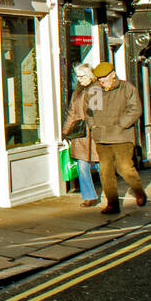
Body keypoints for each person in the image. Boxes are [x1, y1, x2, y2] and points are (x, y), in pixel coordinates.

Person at [84, 61, 146, 214]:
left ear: (113, 74)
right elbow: (90, 112)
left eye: (104, 77)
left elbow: (135, 109)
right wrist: (93, 126)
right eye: (99, 78)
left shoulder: (126, 88)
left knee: (124, 167)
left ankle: (139, 191)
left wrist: (121, 125)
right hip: (102, 137)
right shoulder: (95, 90)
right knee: (105, 171)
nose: (102, 80)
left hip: (122, 137)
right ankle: (112, 203)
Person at [61, 63, 101, 207]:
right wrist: (65, 132)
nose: (79, 79)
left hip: (94, 132)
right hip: (80, 133)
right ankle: (89, 196)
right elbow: (72, 112)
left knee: (100, 165)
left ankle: (110, 194)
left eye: (82, 76)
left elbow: (97, 112)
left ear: (89, 75)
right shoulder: (77, 91)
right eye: (77, 76)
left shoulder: (96, 89)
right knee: (82, 165)